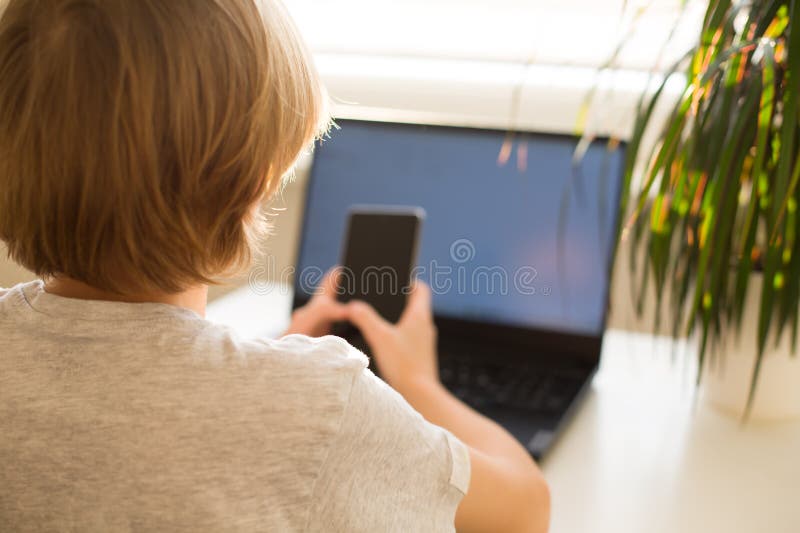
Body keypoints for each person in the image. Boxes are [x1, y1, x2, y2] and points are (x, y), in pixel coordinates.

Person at [0, 0, 550, 531]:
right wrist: (419, 382)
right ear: (254, 182)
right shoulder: (320, 408)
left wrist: (273, 354)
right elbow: (525, 510)